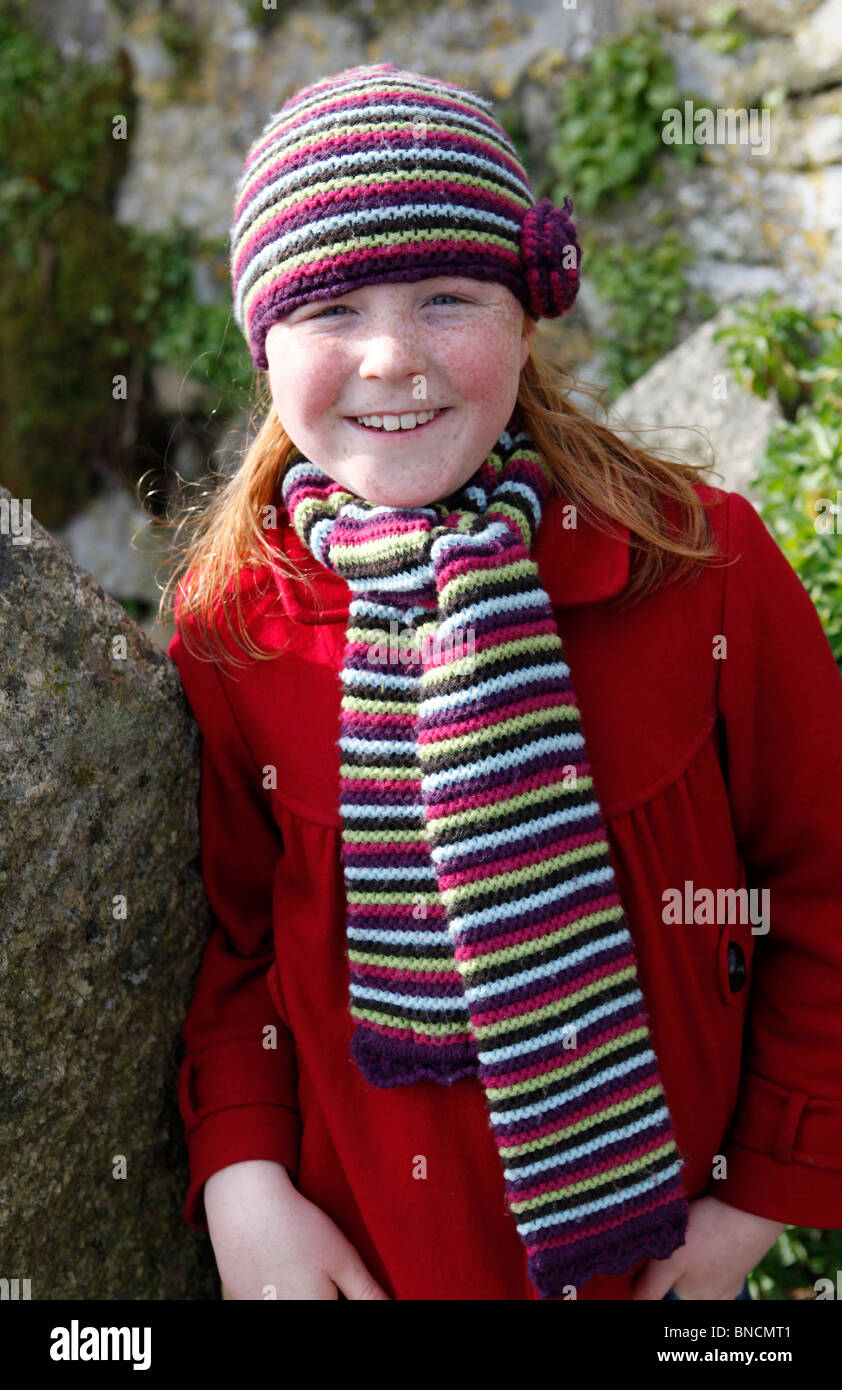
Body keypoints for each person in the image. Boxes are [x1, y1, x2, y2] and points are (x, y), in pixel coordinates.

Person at [163, 63, 842, 1301]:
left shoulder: (703, 572)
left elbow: (825, 887)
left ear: (527, 311)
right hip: (372, 1258)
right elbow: (239, 949)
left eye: (444, 295)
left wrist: (755, 1197)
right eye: (332, 308)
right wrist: (243, 1176)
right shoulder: (235, 629)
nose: (389, 356)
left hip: (658, 1265)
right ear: (264, 347)